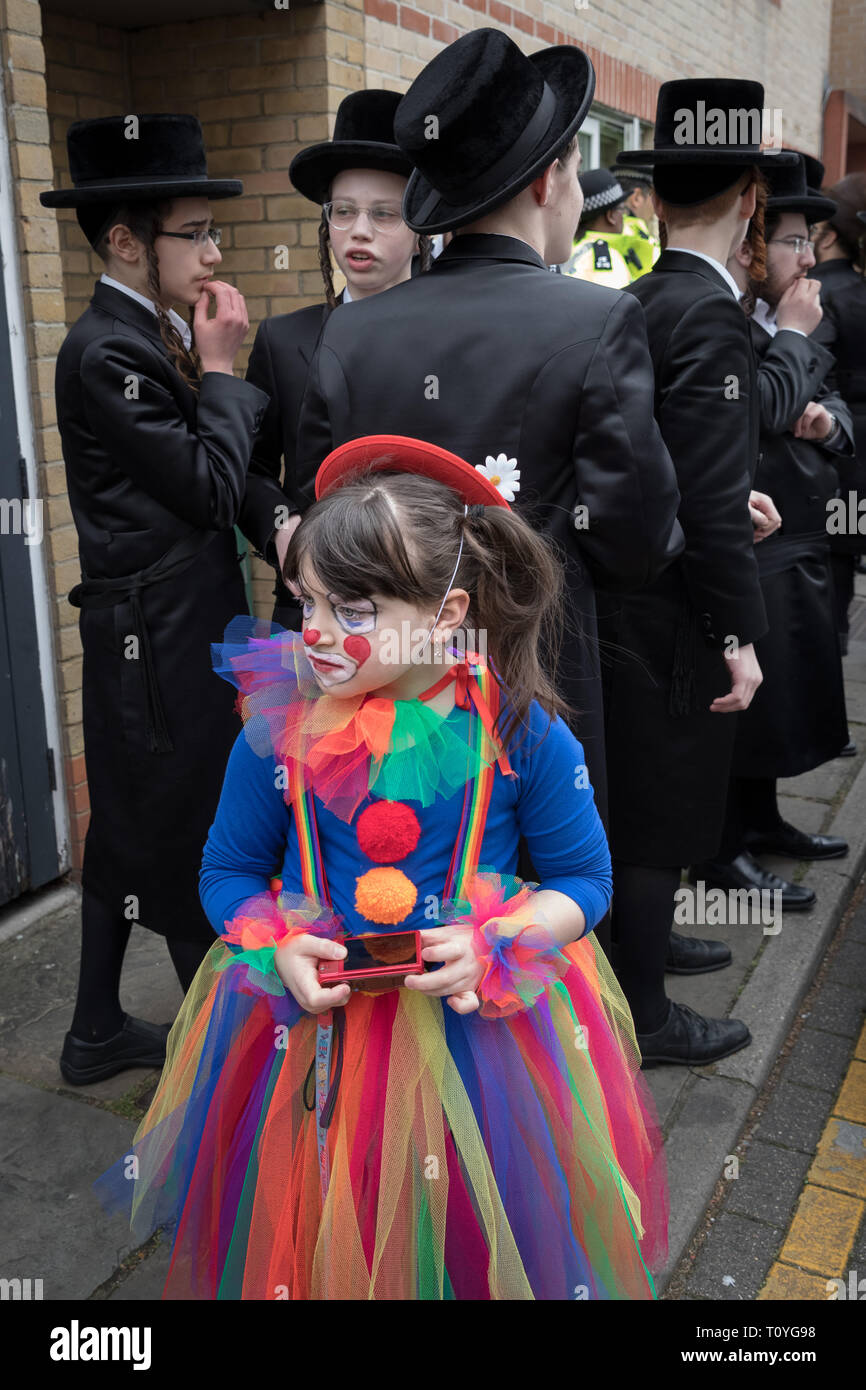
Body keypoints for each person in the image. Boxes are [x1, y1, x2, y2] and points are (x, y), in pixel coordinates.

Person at [94, 437, 668, 1300]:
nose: (314, 633)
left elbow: (585, 883)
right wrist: (272, 945)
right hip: (313, 1034)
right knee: (324, 1222)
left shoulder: (523, 735)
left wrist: (503, 939)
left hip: (482, 1040)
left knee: (475, 1229)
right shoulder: (277, 729)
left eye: (353, 610)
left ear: (447, 613)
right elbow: (228, 870)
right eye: (305, 601)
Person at [296, 28, 683, 843]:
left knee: (398, 869)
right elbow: (635, 539)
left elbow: (321, 508)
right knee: (531, 901)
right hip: (538, 668)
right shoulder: (598, 318)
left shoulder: (352, 334)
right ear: (550, 180)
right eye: (577, 171)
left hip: (389, 676)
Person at [40, 115, 269, 1084]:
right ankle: (223, 1049)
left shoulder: (148, 332)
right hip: (156, 635)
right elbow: (209, 488)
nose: (214, 251)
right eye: (194, 231)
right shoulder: (107, 352)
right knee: (178, 820)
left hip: (168, 624)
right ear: (127, 240)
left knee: (136, 822)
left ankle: (95, 1029)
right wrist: (222, 371)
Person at [598, 80, 798, 1066]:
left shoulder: (640, 296)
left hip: (627, 592)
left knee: (641, 797)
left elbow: (657, 465)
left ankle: (645, 947)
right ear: (750, 197)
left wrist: (722, 507)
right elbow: (709, 495)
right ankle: (644, 1015)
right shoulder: (709, 316)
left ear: (655, 198)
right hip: (672, 608)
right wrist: (738, 632)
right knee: (657, 803)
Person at [697, 156, 853, 906]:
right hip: (749, 546)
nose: (805, 257)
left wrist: (829, 425)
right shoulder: (730, 323)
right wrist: (793, 336)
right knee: (742, 711)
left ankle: (764, 822)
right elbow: (752, 413)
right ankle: (722, 853)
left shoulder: (799, 323)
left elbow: (835, 400)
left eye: (809, 240)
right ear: (755, 245)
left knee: (784, 707)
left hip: (800, 543)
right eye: (791, 240)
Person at [242, 91, 430, 627]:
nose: (360, 230)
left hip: (429, 605)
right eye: (344, 212)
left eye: (384, 213)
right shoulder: (283, 339)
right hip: (314, 607)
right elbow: (252, 468)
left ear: (421, 230)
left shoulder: (459, 339)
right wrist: (282, 524)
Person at [808, 173, 866, 660]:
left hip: (836, 456)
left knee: (830, 567)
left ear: (826, 234)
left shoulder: (816, 294)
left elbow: (809, 373)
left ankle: (826, 672)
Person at [564, 169, 633, 286]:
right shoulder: (609, 259)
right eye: (622, 209)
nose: (624, 216)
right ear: (610, 216)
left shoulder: (566, 251)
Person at [611, 165, 661, 278]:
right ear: (636, 198)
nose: (655, 208)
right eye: (654, 197)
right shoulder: (645, 244)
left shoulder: (593, 233)